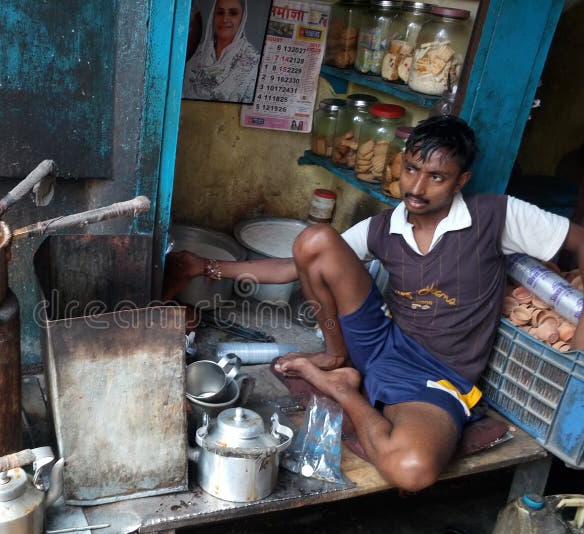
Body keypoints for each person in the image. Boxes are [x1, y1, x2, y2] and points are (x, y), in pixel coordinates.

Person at [166, 115, 584, 493]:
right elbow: (296, 265)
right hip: (380, 340)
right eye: (412, 170)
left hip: (436, 377)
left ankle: (338, 386)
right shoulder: (387, 227)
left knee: (412, 470)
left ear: (461, 181)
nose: (417, 188)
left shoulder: (496, 216)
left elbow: (579, 242)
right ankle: (334, 357)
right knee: (314, 241)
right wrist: (206, 266)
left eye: (437, 178)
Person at [182, 0, 261, 104]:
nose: (225, 19)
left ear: (242, 18)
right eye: (220, 12)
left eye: (233, 13)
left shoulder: (253, 62)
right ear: (213, 16)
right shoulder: (196, 53)